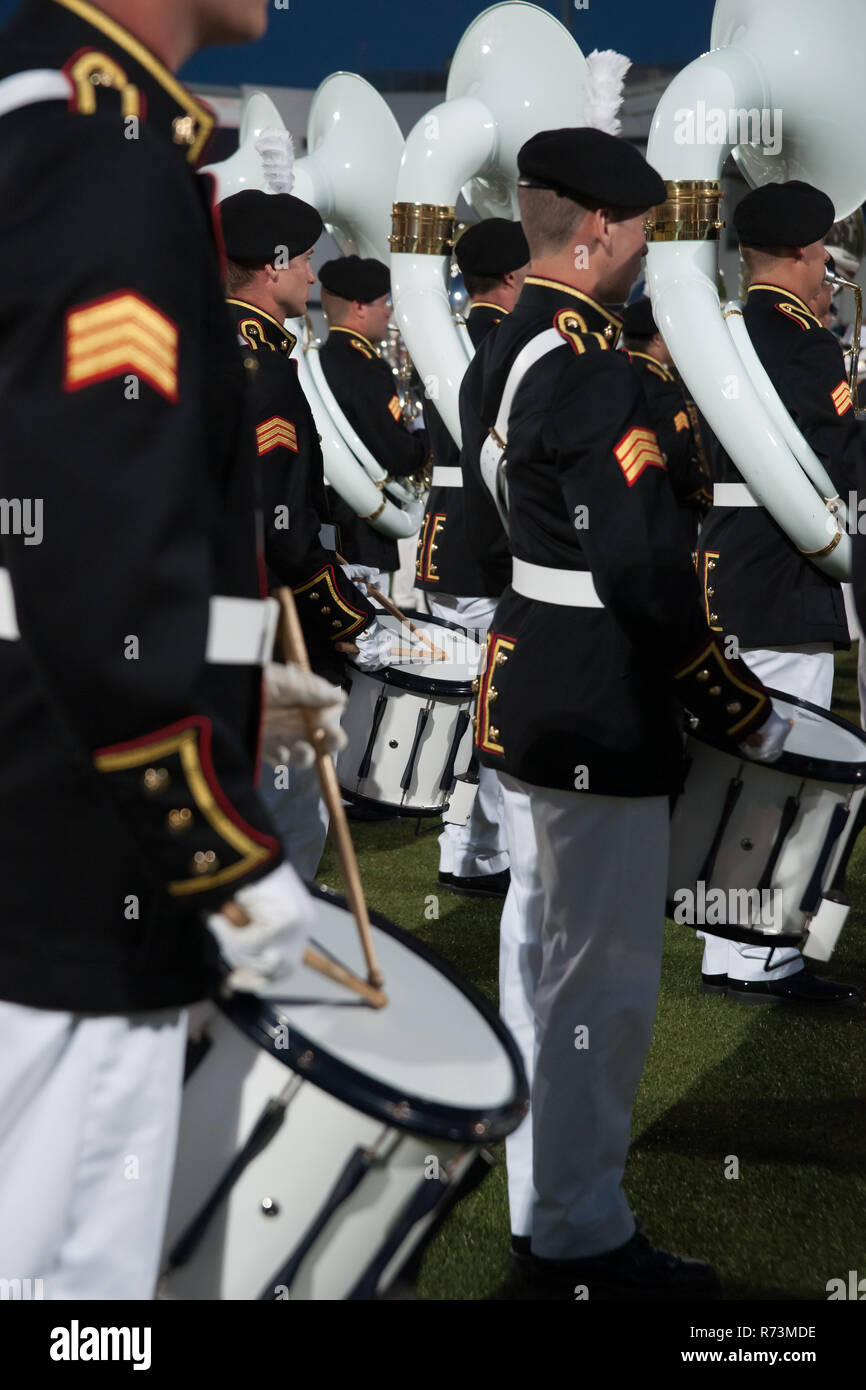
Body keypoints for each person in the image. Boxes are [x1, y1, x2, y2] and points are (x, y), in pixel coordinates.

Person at [0, 0, 341, 1299]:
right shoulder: (105, 146)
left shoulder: (43, 115)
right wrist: (215, 843)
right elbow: (93, 539)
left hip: (34, 772)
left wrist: (239, 665)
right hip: (78, 832)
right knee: (66, 1277)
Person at [462, 125, 790, 1297]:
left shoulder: (502, 344)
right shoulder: (595, 368)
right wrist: (712, 683)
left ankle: (537, 1201)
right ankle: (578, 1239)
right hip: (598, 689)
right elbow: (644, 569)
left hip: (527, 677)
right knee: (595, 979)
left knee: (536, 953)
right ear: (597, 232)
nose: (650, 250)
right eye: (644, 230)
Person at [696, 181, 865, 1006]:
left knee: (738, 755)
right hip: (780, 564)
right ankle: (759, 955)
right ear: (801, 255)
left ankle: (726, 943)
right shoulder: (801, 341)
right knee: (786, 763)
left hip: (728, 563)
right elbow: (835, 455)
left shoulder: (725, 331)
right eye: (824, 258)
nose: (830, 274)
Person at [220, 190, 395, 878]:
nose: (315, 277)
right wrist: (351, 622)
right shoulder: (263, 375)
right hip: (271, 637)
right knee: (291, 831)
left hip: (213, 629)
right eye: (307, 261)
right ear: (275, 265)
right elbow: (284, 537)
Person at [416, 217, 529, 898]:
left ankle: (467, 848)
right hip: (486, 545)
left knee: (466, 709)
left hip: (443, 538)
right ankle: (474, 851)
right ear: (516, 275)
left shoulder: (450, 336)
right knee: (494, 708)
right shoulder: (508, 342)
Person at [317, 255, 429, 590]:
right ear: (359, 307)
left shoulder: (324, 360)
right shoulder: (364, 367)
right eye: (384, 303)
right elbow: (397, 454)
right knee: (369, 634)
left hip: (332, 522)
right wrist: (424, 437)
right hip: (362, 529)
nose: (389, 312)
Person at [620, 296, 712, 548]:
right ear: (658, 338)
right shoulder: (661, 383)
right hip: (671, 511)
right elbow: (677, 457)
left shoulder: (618, 371)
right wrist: (707, 497)